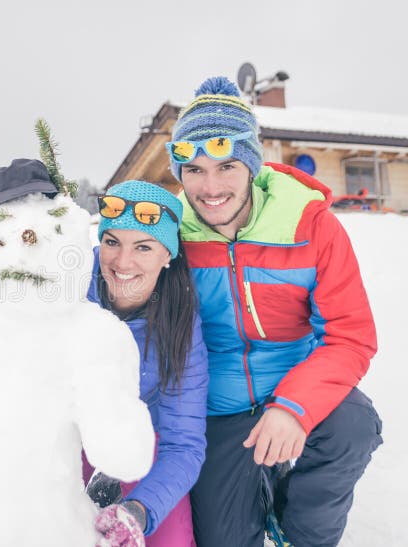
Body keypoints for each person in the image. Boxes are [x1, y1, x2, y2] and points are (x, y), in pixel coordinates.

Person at [167, 76, 383, 546]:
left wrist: (294, 407)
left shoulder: (309, 224)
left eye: (226, 166)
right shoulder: (171, 234)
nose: (211, 187)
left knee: (352, 425)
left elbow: (349, 336)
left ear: (251, 164)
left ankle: (296, 529)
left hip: (291, 385)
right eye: (194, 170)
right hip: (216, 408)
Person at [84, 180, 209, 547]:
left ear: (167, 254)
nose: (122, 263)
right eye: (112, 242)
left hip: (144, 447)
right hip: (72, 440)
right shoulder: (70, 289)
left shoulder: (181, 322)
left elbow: (184, 443)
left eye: (143, 246)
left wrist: (139, 509)